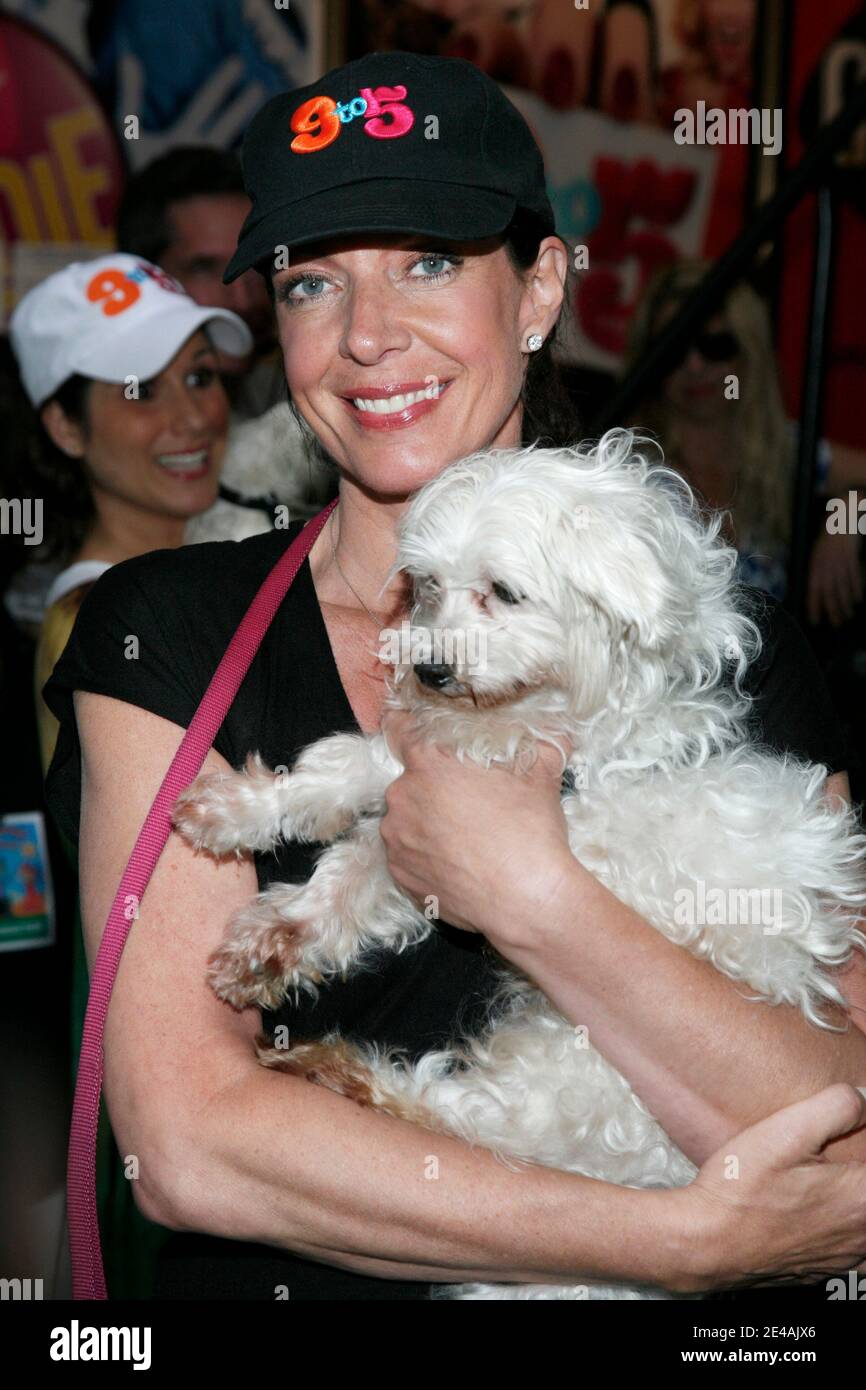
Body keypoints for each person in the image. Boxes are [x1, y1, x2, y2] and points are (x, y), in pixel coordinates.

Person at [42, 52, 866, 1301]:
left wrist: (532, 888)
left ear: (539, 289)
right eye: (316, 283)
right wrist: (678, 1242)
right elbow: (191, 1146)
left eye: (426, 262)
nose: (369, 338)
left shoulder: (730, 653)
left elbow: (837, 1117)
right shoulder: (168, 629)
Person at [8, 252, 252, 777]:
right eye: (140, 390)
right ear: (66, 427)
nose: (191, 419)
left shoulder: (219, 566)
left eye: (200, 377)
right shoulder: (92, 621)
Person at [624, 259, 866, 625]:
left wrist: (844, 524)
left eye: (715, 346)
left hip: (765, 676)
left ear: (749, 351)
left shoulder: (779, 449)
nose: (694, 366)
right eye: (674, 349)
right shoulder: (629, 465)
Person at [115, 147, 287, 420]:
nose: (243, 300)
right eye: (203, 269)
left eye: (254, 264)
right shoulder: (110, 411)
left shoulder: (287, 394)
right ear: (141, 275)